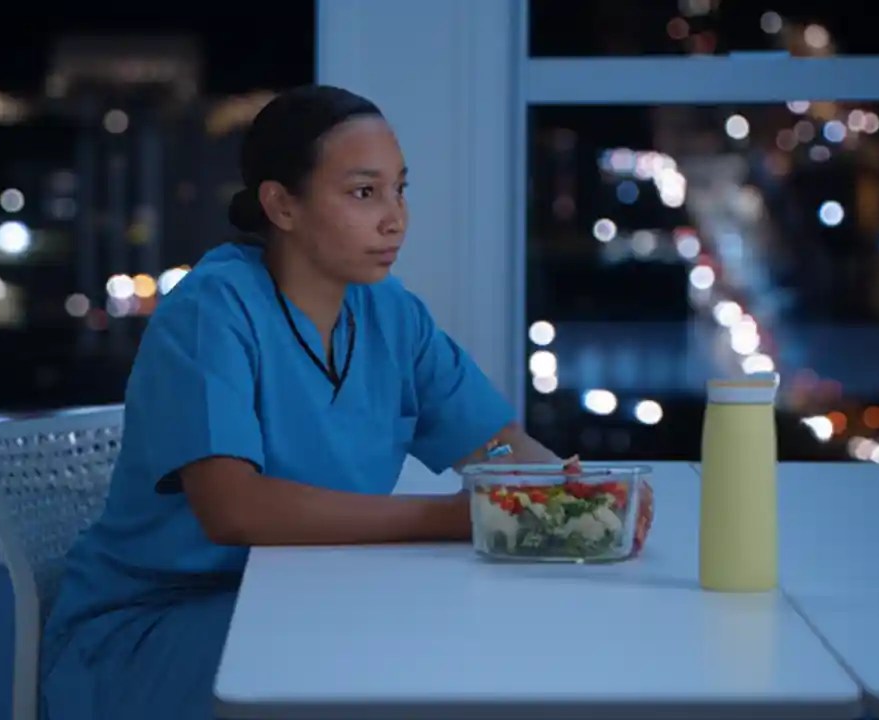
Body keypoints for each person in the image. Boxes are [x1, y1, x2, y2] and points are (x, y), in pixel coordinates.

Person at [38, 84, 561, 720]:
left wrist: (558, 491)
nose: (396, 218)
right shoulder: (211, 312)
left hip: (309, 603)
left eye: (400, 189)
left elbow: (495, 444)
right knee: (398, 667)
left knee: (453, 647)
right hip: (156, 628)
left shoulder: (392, 314)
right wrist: (454, 517)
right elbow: (235, 509)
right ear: (282, 205)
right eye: (364, 193)